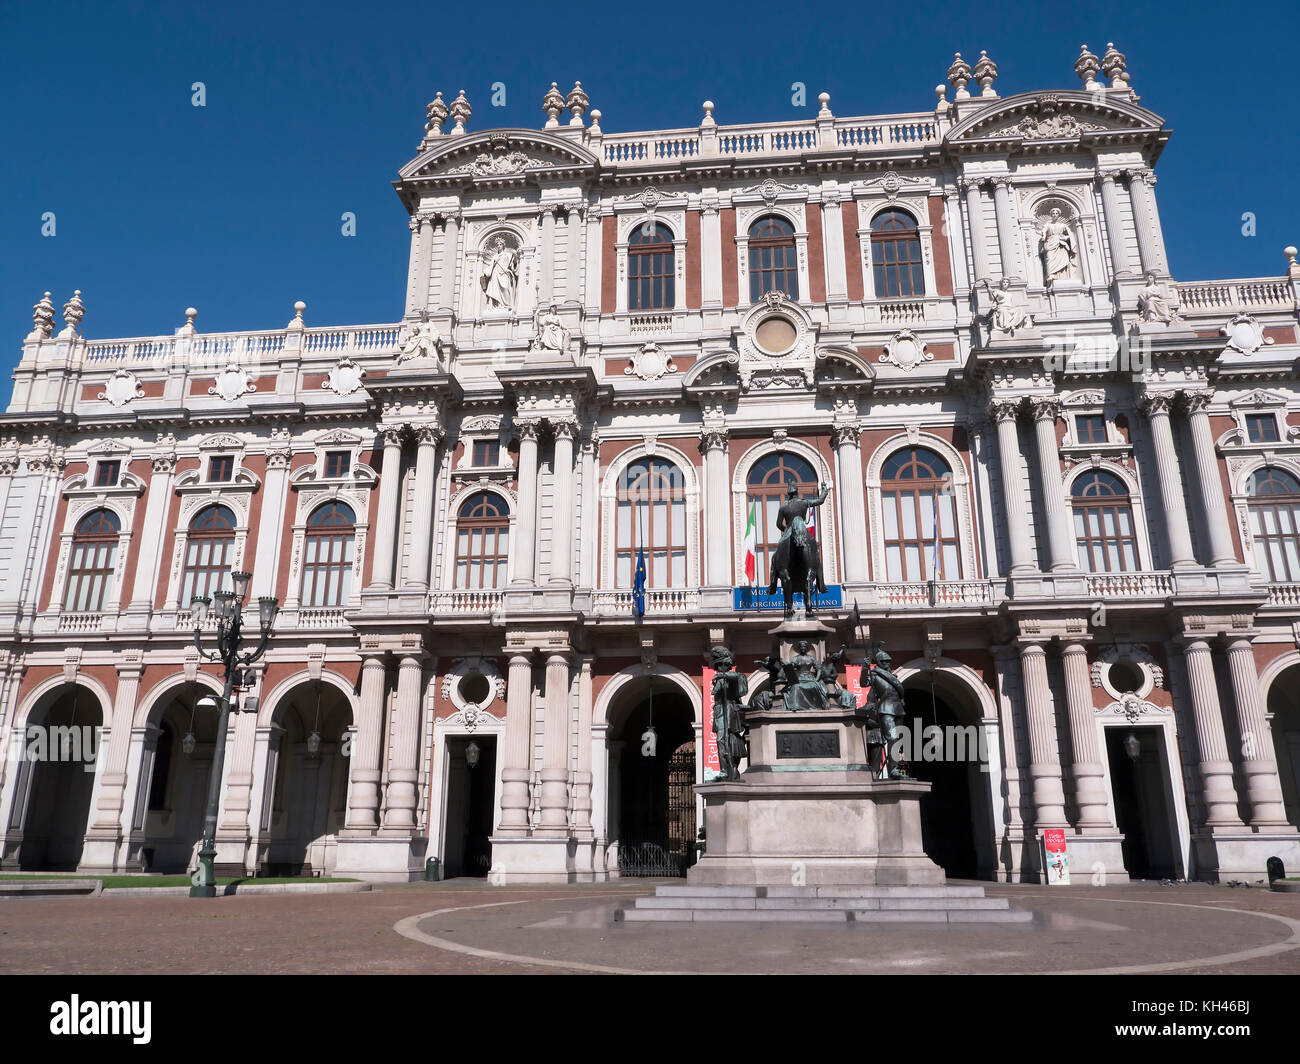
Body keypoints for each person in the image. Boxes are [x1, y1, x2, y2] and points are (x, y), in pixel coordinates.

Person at [709, 646, 749, 780]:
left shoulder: (732, 677)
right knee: (720, 740)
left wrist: (724, 675)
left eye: (722, 665)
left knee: (726, 739)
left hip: (729, 710)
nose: (719, 668)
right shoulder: (720, 679)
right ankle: (723, 769)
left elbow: (740, 681)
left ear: (727, 665)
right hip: (720, 710)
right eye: (718, 666)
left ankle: (728, 768)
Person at [1038, 208, 1077, 286]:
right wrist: (1044, 236)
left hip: (1060, 244)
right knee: (1050, 259)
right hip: (1050, 243)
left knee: (1063, 260)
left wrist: (1065, 238)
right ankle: (1050, 275)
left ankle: (1061, 276)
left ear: (1059, 215)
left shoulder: (1063, 225)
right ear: (1051, 215)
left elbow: (1070, 235)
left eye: (1056, 213)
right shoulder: (1048, 224)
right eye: (1053, 213)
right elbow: (1044, 231)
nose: (1055, 215)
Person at [480, 237, 520, 311]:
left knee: (505, 287)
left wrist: (515, 258)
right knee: (495, 290)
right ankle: (497, 305)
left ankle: (507, 305)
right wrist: (484, 272)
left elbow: (513, 265)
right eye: (498, 245)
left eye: (500, 244)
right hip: (495, 273)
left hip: (504, 273)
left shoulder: (508, 254)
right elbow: (490, 266)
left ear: (503, 246)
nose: (499, 246)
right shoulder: (495, 256)